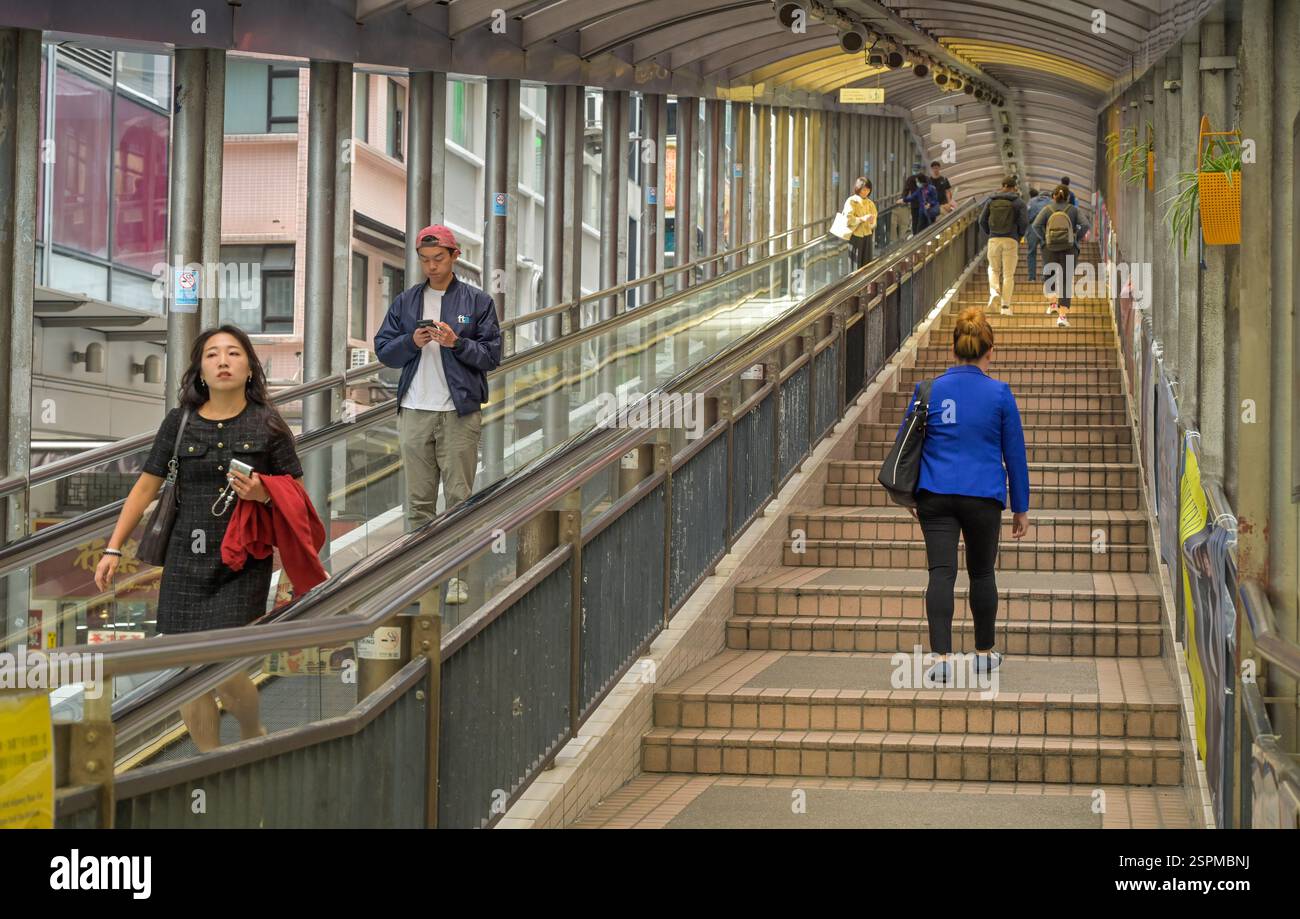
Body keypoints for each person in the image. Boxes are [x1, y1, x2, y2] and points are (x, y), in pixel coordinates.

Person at [94, 325, 309, 752]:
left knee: (223, 666)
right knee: (185, 670)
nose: (223, 361)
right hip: (184, 560)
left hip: (241, 560)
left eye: (233, 353)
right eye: (212, 355)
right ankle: (209, 761)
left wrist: (264, 493)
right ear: (200, 370)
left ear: (250, 367)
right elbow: (145, 486)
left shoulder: (267, 424)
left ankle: (250, 735)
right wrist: (113, 547)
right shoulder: (180, 422)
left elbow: (296, 497)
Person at [897, 307, 1031, 684]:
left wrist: (911, 495)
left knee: (940, 573)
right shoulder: (1000, 394)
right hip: (982, 497)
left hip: (934, 495)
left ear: (953, 350)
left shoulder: (928, 390)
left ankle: (940, 660)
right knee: (982, 572)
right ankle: (984, 655)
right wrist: (1020, 508)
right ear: (989, 351)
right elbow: (1015, 455)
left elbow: (906, 445)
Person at [374, 224, 502, 604]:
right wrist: (410, 342)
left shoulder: (478, 302)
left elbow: (492, 356)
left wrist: (456, 343)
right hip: (414, 409)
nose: (431, 267)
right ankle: (421, 576)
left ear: (455, 256)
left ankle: (460, 575)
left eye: (439, 259)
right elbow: (384, 350)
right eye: (425, 260)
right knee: (417, 501)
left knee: (460, 496)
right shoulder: (406, 302)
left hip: (459, 412)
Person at [1031, 184, 1091, 327]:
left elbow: (1035, 225)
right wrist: (1075, 238)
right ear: (1068, 197)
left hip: (1050, 249)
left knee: (1049, 276)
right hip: (1069, 249)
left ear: (1053, 196)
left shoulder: (1047, 209)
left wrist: (1045, 239)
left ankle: (1052, 304)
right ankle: (1062, 317)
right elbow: (1085, 225)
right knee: (1065, 281)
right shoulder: (1074, 210)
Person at [977, 176, 1028, 315]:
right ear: (1014, 187)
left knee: (993, 269)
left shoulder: (991, 200)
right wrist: (1019, 236)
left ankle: (994, 291)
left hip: (994, 239)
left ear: (1003, 185)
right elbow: (1024, 222)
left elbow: (981, 220)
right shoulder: (1018, 202)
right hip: (1011, 240)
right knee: (1008, 275)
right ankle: (1005, 307)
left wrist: (990, 232)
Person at [844, 176, 878, 268]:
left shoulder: (870, 203)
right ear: (858, 188)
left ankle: (867, 282)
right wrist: (862, 219)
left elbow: (874, 219)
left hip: (868, 235)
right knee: (855, 265)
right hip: (855, 236)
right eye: (863, 189)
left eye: (868, 190)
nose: (866, 192)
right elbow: (848, 219)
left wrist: (872, 222)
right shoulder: (852, 201)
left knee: (867, 265)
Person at [1024, 187, 1053, 282]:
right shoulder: (1051, 203)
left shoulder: (1031, 201)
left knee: (1031, 252)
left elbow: (1026, 216)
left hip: (1032, 229)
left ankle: (1031, 277)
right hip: (1045, 229)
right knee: (1046, 254)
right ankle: (1045, 277)